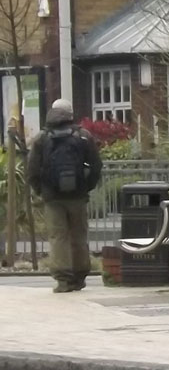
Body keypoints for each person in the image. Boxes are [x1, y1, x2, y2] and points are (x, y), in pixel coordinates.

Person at [26, 99, 102, 293]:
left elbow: (32, 170)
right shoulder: (83, 136)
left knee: (58, 237)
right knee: (79, 235)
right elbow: (96, 165)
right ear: (70, 114)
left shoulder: (42, 138)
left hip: (52, 197)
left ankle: (63, 280)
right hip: (78, 196)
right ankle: (79, 276)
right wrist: (87, 187)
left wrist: (41, 190)